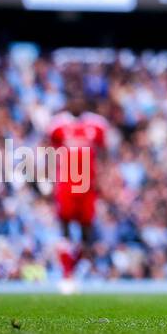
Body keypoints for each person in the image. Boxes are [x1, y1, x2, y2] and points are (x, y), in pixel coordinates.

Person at [48, 110, 108, 294]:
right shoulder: (58, 125)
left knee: (86, 235)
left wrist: (103, 178)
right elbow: (49, 151)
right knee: (64, 230)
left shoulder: (96, 125)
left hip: (87, 187)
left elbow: (104, 153)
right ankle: (67, 275)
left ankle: (71, 272)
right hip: (66, 185)